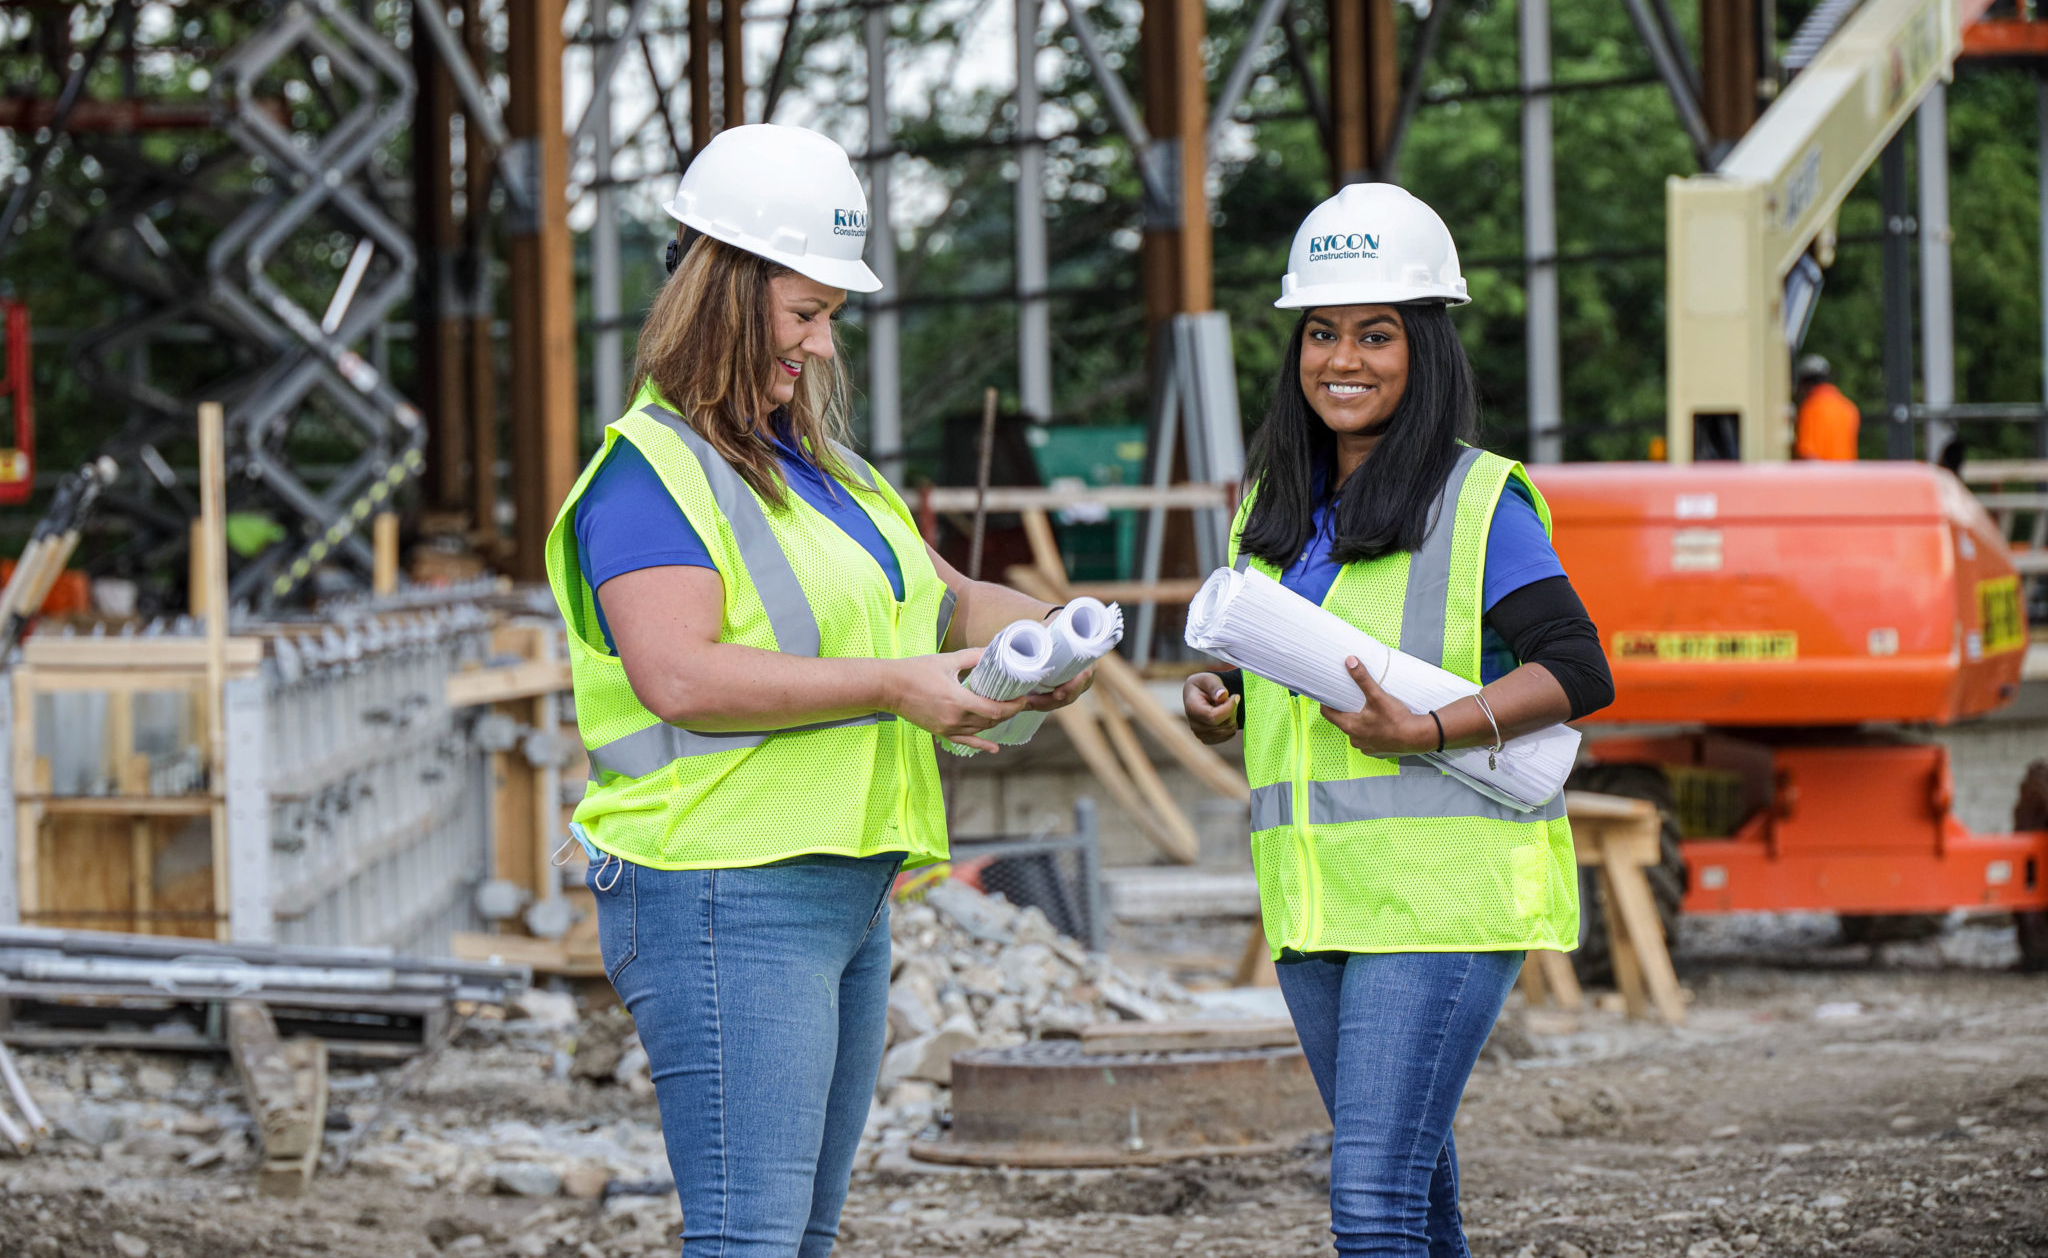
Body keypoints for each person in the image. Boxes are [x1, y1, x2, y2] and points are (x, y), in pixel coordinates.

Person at [545, 123, 1088, 1258]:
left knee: (800, 1236)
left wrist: (1048, 639)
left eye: (828, 317)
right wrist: (896, 686)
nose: (824, 347)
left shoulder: (828, 473)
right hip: (719, 891)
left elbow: (942, 598)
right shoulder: (649, 476)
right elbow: (680, 674)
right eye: (805, 314)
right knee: (751, 1238)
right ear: (724, 297)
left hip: (837, 889)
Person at [1181, 184, 1614, 1257]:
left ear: (1422, 347)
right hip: (1313, 906)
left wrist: (1426, 731)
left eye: (1376, 334)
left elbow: (1577, 666)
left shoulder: (1477, 501)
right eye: (1321, 332)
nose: (1344, 358)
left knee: (1368, 1202)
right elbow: (1289, 669)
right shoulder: (1271, 514)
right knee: (1414, 1198)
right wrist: (1222, 705)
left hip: (1437, 904)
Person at [1793, 353, 1860, 460]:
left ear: (1805, 383)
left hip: (1822, 475)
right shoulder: (1849, 407)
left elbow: (1807, 453)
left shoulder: (1811, 408)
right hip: (1847, 475)